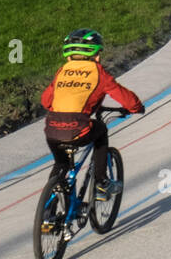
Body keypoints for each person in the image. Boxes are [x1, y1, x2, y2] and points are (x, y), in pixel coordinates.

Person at [41, 29, 145, 206]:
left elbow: (46, 101)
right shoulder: (98, 72)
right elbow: (122, 96)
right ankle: (102, 182)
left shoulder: (62, 71)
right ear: (96, 56)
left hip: (51, 129)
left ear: (68, 57)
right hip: (78, 129)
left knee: (61, 164)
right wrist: (136, 107)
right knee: (101, 129)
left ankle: (48, 210)